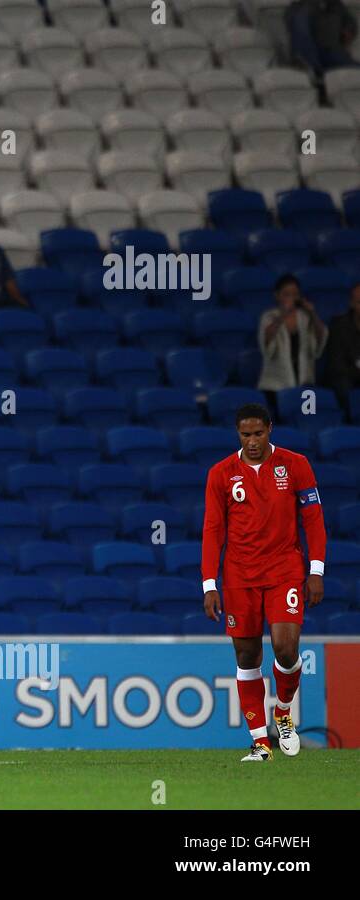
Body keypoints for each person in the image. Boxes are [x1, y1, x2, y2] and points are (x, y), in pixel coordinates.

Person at [200, 403, 326, 762]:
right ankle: (260, 744)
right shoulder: (221, 473)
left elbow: (314, 520)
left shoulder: (295, 465)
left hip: (285, 568)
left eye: (258, 433)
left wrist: (315, 570)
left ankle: (283, 713)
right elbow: (212, 530)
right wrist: (209, 584)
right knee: (246, 655)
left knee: (286, 648)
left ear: (270, 429)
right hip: (239, 575)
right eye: (245, 435)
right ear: (237, 434)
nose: (252, 441)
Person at [257, 274, 329, 402]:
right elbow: (266, 345)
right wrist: (282, 316)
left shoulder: (305, 317)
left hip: (305, 385)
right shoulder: (269, 316)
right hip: (275, 386)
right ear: (277, 295)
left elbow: (320, 339)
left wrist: (313, 313)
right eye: (287, 294)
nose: (292, 298)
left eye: (295, 294)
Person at [322, 283, 360, 416]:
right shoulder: (339, 326)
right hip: (346, 377)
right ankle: (348, 423)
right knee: (343, 383)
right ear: (352, 304)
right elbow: (336, 365)